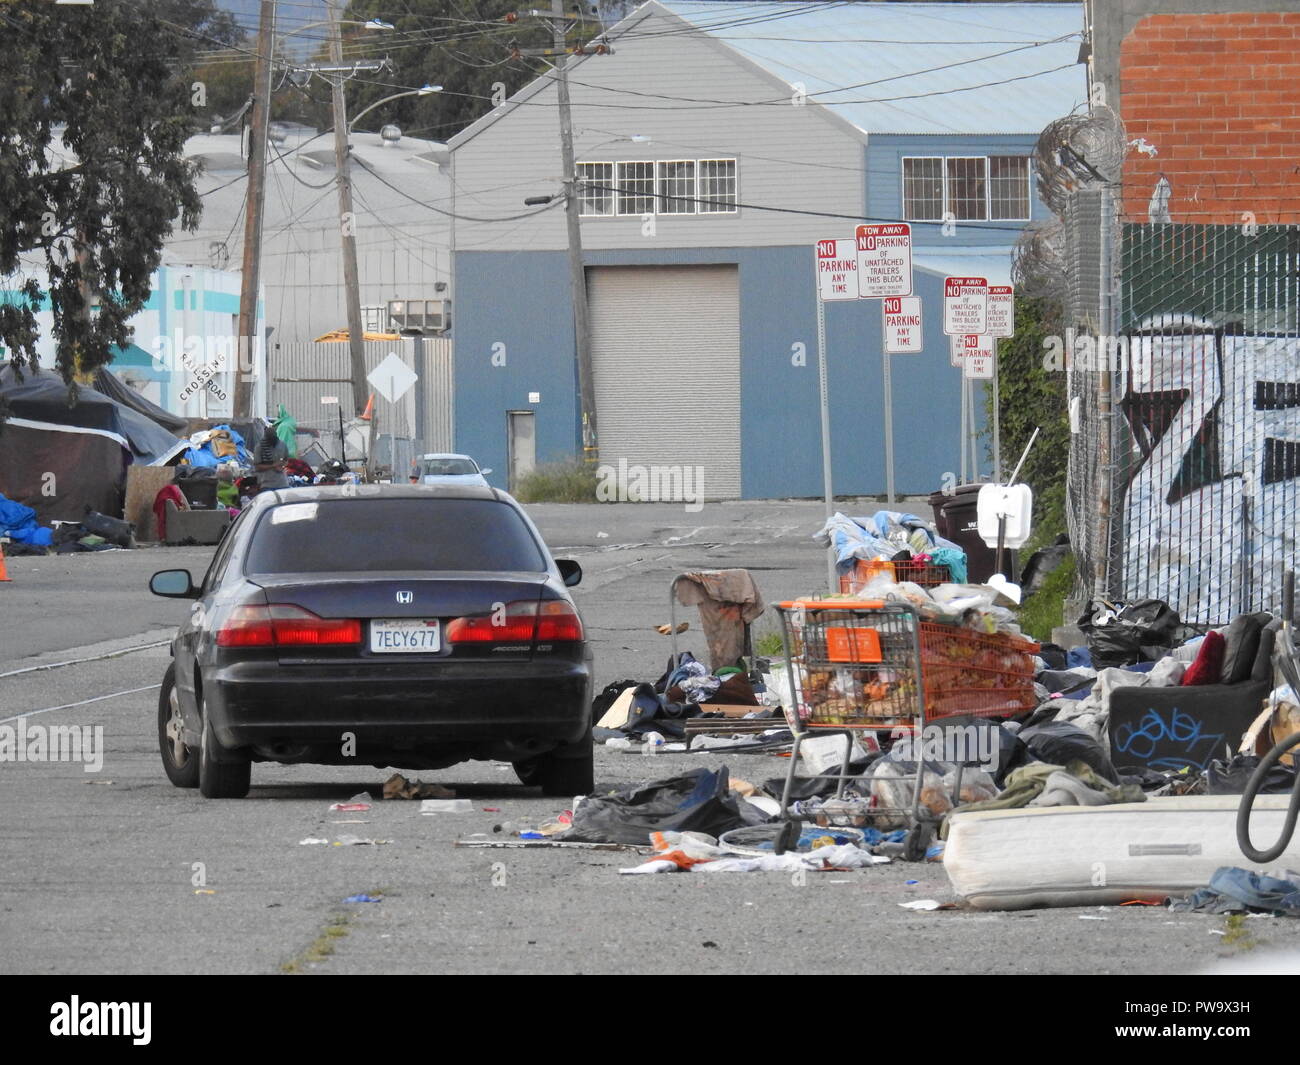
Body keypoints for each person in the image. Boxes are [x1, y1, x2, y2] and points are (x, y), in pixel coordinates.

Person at [254, 425, 290, 491]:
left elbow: (286, 460)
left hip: (282, 483)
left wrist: (282, 466)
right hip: (266, 483)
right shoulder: (260, 447)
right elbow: (257, 467)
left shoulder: (282, 445)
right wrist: (273, 466)